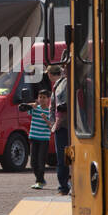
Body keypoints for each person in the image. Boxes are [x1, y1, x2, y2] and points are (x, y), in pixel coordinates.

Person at [48, 64, 70, 196]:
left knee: (69, 159)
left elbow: (62, 107)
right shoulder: (59, 84)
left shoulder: (71, 82)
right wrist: (53, 123)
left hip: (73, 127)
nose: (65, 68)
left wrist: (56, 122)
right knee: (63, 159)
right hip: (62, 127)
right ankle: (63, 186)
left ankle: (67, 186)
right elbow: (54, 106)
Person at [27, 88, 52, 190]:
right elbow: (23, 108)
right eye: (40, 97)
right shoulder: (35, 109)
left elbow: (52, 126)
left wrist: (46, 119)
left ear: (48, 99)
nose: (42, 99)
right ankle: (40, 179)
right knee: (33, 162)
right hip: (34, 138)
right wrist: (31, 105)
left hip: (44, 139)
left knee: (41, 161)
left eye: (44, 97)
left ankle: (40, 181)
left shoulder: (50, 111)